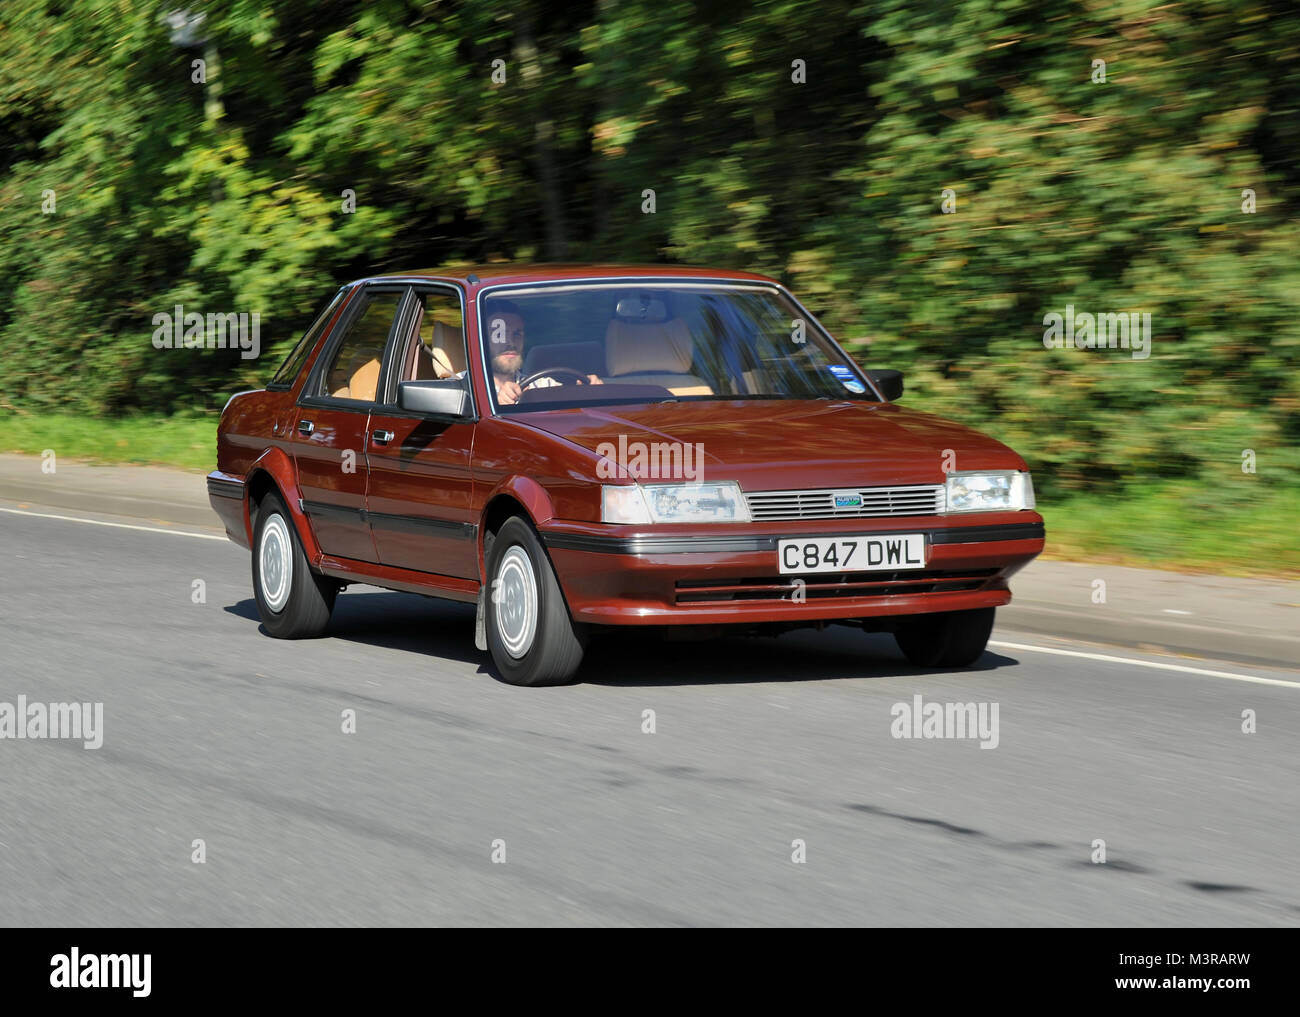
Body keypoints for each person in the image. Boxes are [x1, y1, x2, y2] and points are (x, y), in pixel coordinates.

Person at [483, 299, 601, 405]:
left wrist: (589, 393)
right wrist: (496, 403)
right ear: (482, 339)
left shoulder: (542, 386)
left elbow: (572, 411)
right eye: (499, 334)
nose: (511, 342)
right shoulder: (471, 391)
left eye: (517, 334)